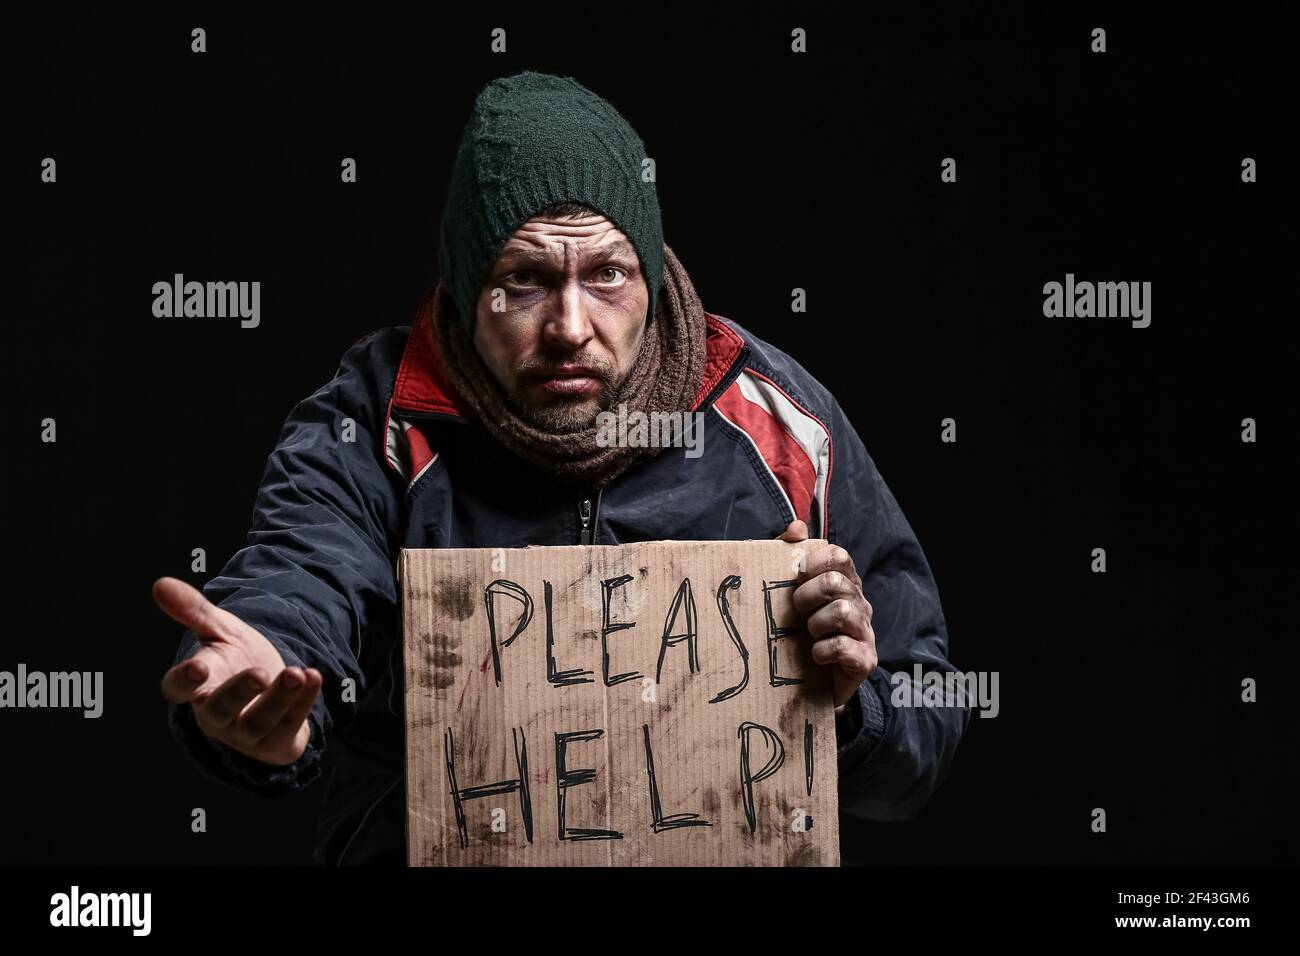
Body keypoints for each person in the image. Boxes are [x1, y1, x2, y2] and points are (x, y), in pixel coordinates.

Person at [157, 71, 971, 865]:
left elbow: (918, 742)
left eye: (607, 274)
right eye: (526, 280)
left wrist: (855, 705)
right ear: (470, 287)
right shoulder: (376, 417)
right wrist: (264, 666)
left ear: (649, 273)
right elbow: (308, 570)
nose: (570, 327)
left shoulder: (779, 420)